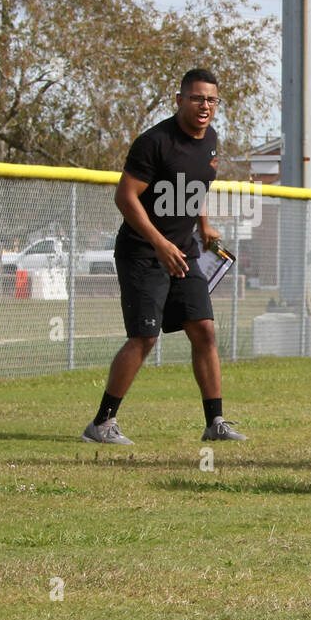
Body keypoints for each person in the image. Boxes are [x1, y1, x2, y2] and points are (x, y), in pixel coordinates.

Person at [84, 68, 244, 446]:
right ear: (179, 100)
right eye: (196, 98)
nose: (204, 106)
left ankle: (215, 423)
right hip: (143, 251)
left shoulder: (211, 141)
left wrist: (204, 224)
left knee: (204, 329)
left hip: (183, 249)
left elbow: (197, 185)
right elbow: (125, 197)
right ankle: (102, 424)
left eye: (211, 100)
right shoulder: (154, 142)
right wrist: (158, 242)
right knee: (144, 337)